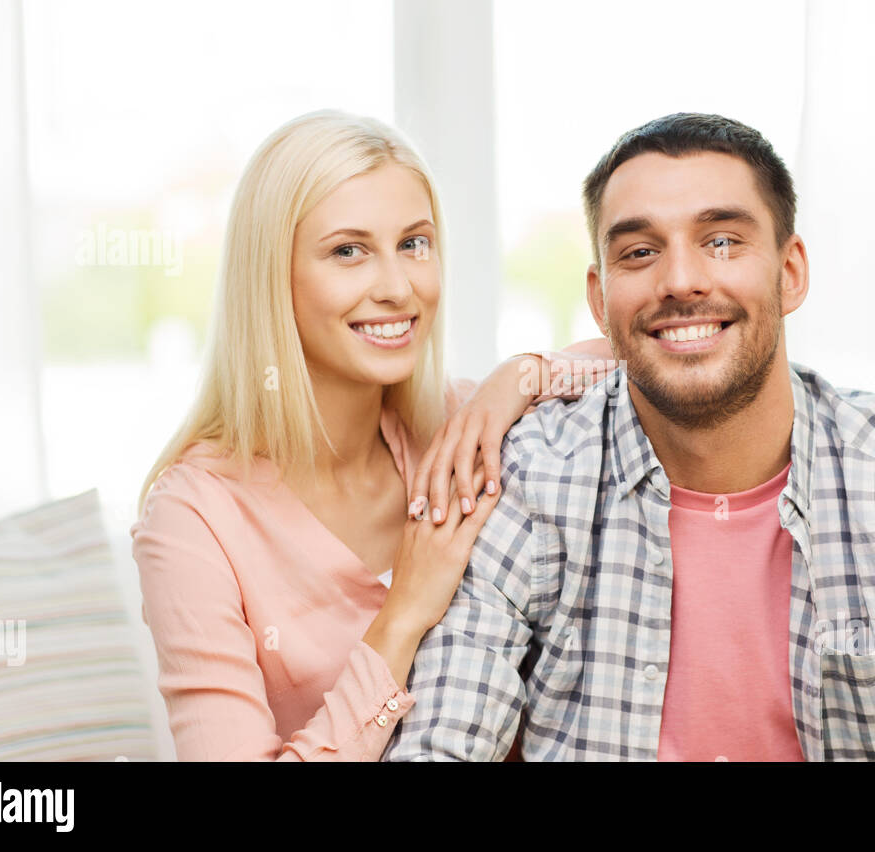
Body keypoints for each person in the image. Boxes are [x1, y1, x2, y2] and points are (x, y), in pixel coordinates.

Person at [384, 112, 875, 761]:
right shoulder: (531, 482)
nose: (681, 281)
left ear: (789, 271)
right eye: (641, 252)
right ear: (600, 299)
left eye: (722, 241)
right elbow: (442, 742)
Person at [131, 109, 612, 761]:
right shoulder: (192, 519)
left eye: (414, 243)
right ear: (271, 278)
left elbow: (669, 361)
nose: (396, 287)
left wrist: (522, 376)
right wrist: (404, 615)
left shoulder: (466, 423)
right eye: (348, 251)